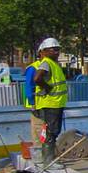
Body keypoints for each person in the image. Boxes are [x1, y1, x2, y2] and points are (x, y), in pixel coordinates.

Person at [29, 38, 68, 166]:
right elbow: (37, 78)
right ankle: (48, 161)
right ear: (44, 51)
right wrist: (48, 87)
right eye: (53, 49)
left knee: (52, 132)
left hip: (55, 103)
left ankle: (48, 160)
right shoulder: (47, 63)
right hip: (51, 104)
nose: (56, 52)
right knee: (51, 132)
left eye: (58, 49)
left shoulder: (54, 64)